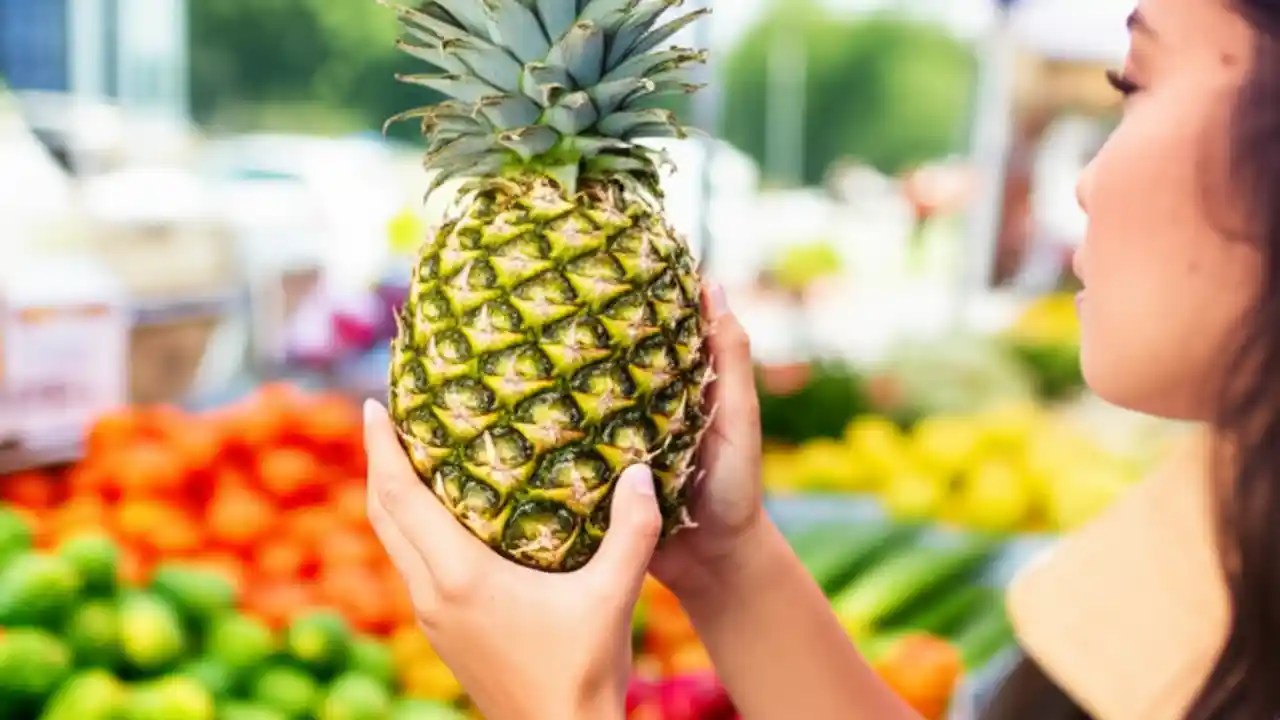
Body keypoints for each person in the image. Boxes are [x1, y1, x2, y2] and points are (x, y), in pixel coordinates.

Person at [362, 0, 1280, 717]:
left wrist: (559, 708)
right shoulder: (1222, 528)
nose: (1083, 178)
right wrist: (729, 560)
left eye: (1134, 82)